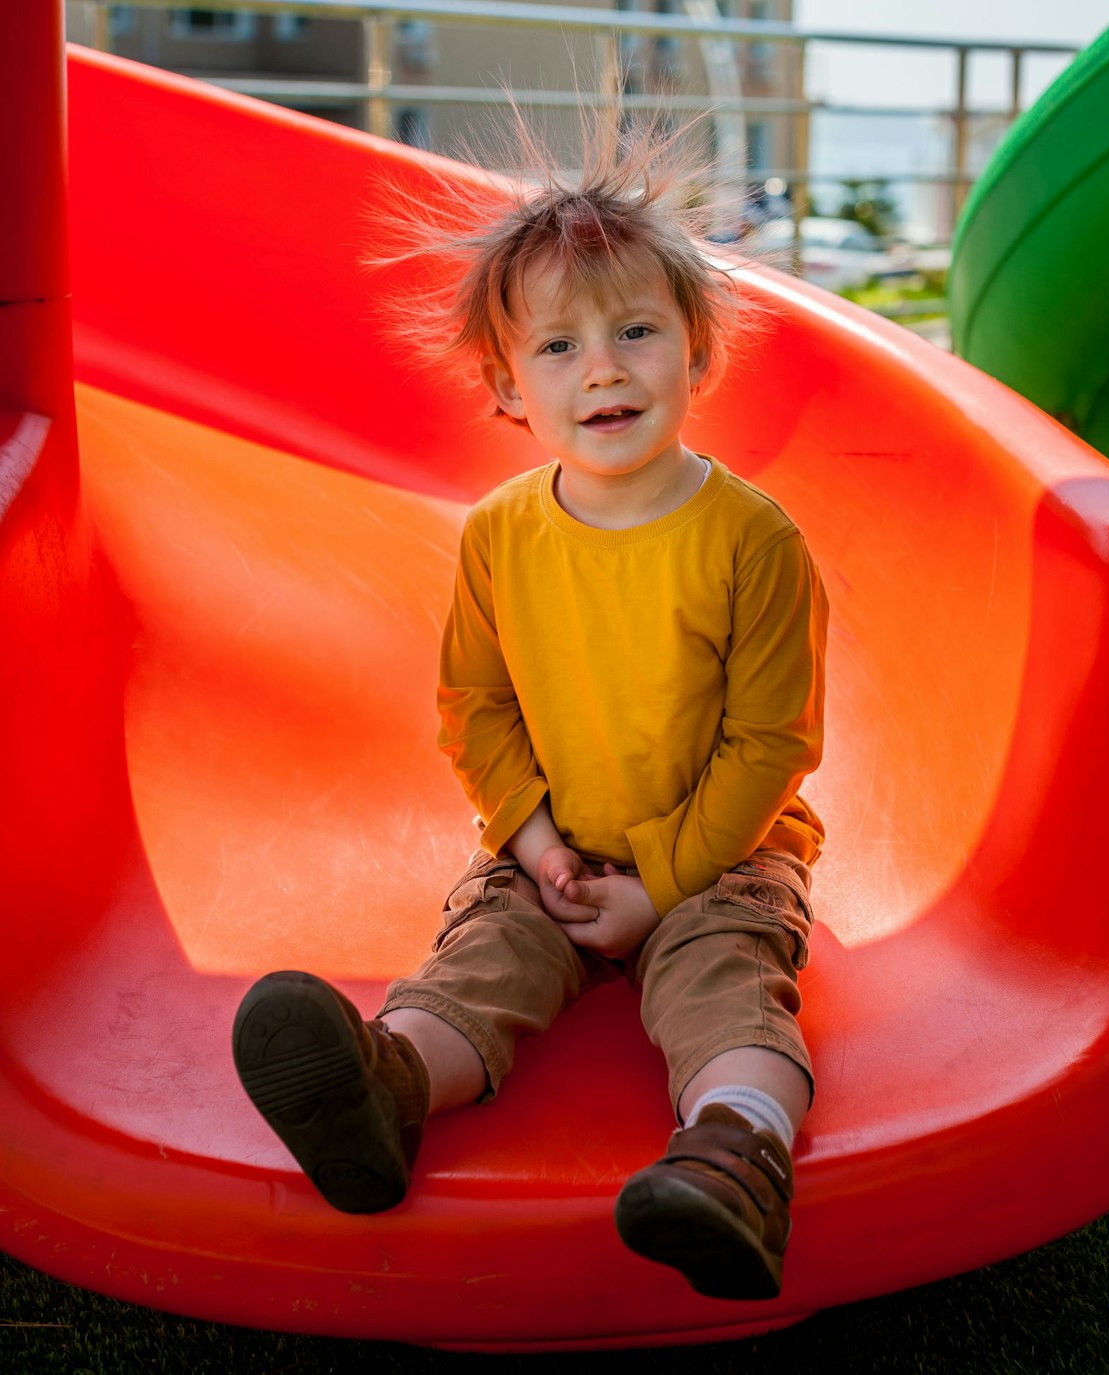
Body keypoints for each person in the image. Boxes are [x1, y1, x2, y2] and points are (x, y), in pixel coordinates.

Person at [233, 111, 828, 1303]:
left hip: (720, 852)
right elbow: (476, 704)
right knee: (487, 957)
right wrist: (540, 845)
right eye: (557, 348)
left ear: (699, 355)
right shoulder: (503, 535)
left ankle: (736, 1152)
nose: (603, 365)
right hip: (554, 848)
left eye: (638, 331)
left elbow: (773, 743)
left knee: (721, 975)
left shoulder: (752, 541)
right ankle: (390, 1089)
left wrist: (660, 883)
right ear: (507, 385)